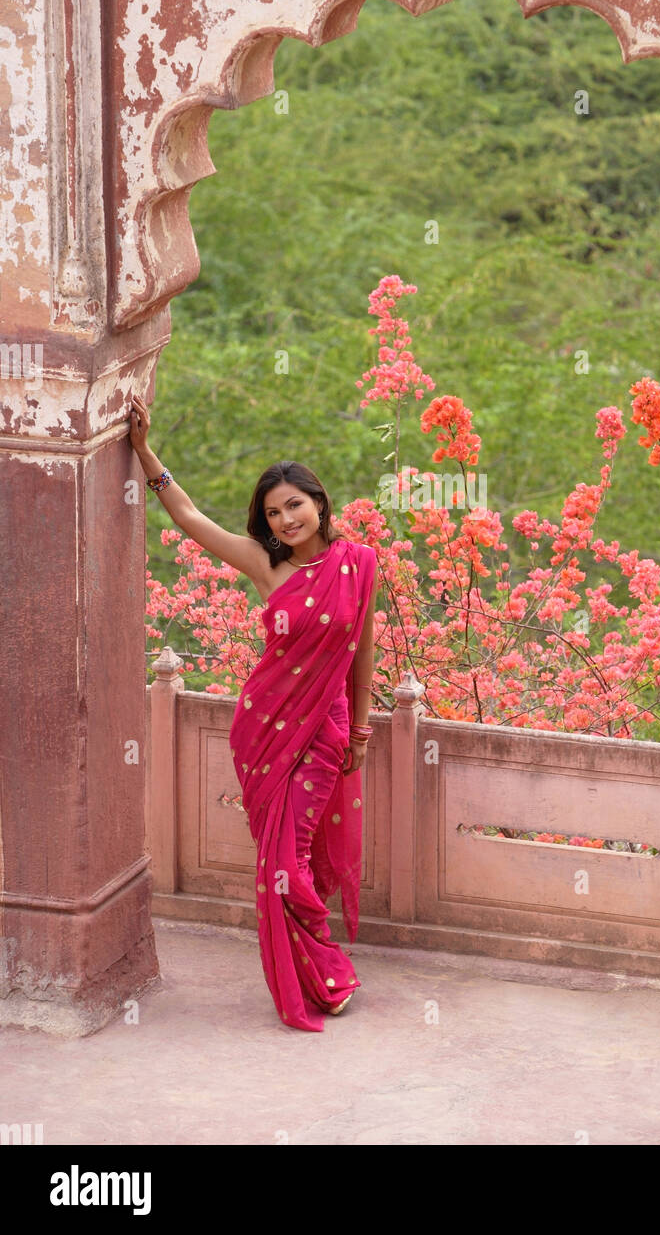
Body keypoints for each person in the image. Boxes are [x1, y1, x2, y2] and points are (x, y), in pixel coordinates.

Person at [129, 391, 378, 1032]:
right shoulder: (265, 563)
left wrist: (362, 729)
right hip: (263, 730)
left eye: (294, 504)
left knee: (287, 860)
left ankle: (324, 973)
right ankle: (326, 975)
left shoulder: (358, 565)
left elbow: (361, 656)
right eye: (274, 512)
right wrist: (145, 452)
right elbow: (191, 520)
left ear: (319, 503)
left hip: (325, 732)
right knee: (278, 861)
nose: (287, 518)